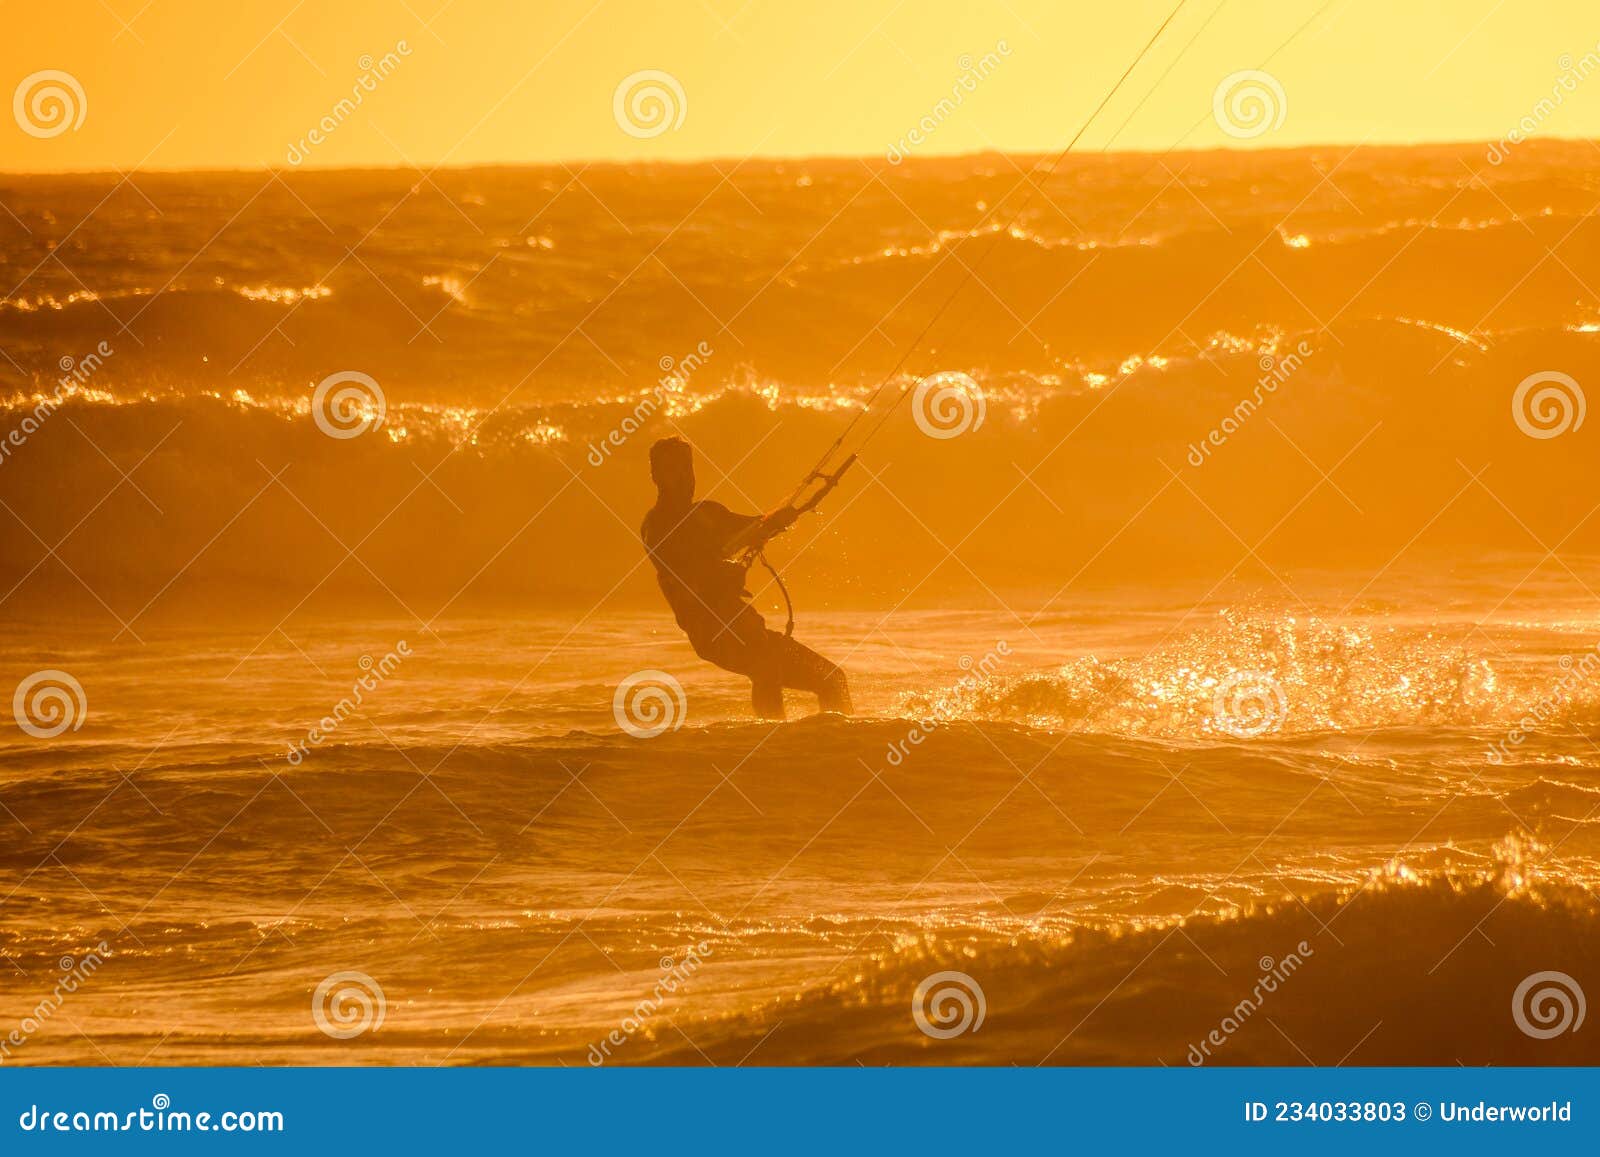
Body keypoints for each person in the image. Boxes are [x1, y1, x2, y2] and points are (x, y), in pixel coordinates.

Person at [640, 436, 852, 720]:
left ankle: (834, 752)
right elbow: (686, 575)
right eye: (674, 470)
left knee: (832, 679)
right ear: (655, 476)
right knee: (765, 668)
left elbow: (754, 525)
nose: (685, 478)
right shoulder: (656, 527)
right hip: (712, 633)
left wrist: (778, 520)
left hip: (745, 625)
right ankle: (770, 747)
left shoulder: (708, 512)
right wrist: (726, 571)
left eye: (688, 470)